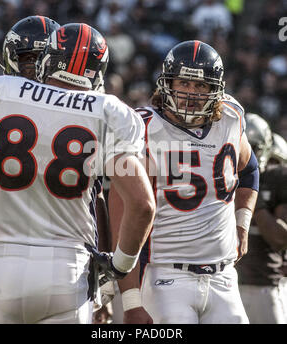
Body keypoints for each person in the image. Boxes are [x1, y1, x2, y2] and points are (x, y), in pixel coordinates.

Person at [0, 23, 155, 324]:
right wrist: (118, 267)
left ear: (47, 58)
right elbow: (142, 205)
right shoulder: (109, 111)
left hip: (3, 266)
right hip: (69, 271)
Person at [108, 40, 259, 324]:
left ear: (216, 88)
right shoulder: (143, 128)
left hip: (224, 277)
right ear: (166, 83)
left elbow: (249, 168)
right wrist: (130, 299)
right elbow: (120, 213)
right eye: (184, 83)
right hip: (165, 276)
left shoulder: (230, 116)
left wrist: (243, 222)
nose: (191, 93)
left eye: (201, 86)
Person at [0, 15, 60, 267]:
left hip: (62, 242)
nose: (38, 67)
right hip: (0, 239)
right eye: (29, 59)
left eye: (44, 58)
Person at [236, 113, 287, 324]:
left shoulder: (276, 180)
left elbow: (280, 239)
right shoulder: (217, 179)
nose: (247, 155)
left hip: (263, 286)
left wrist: (250, 194)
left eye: (254, 148)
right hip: (223, 283)